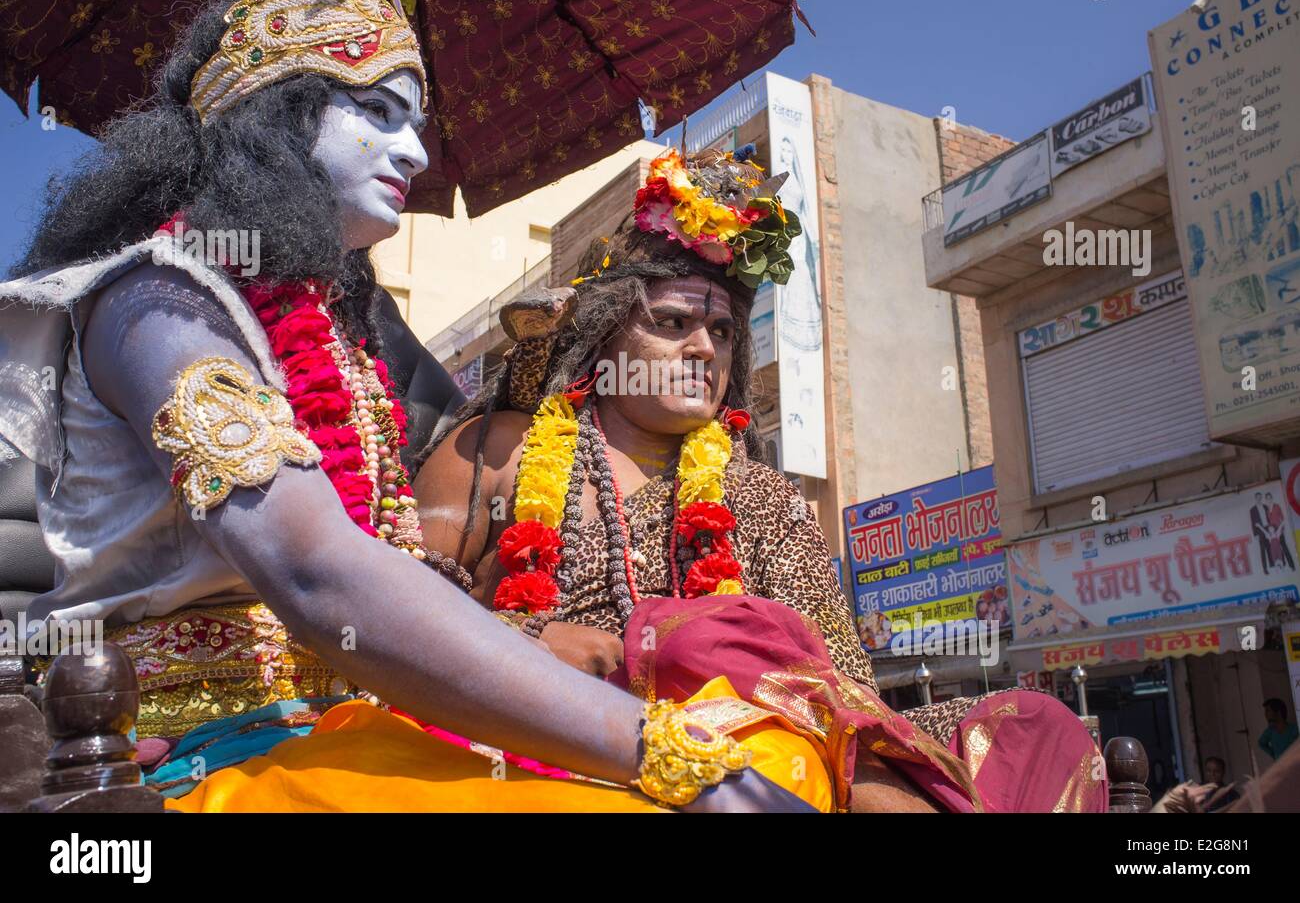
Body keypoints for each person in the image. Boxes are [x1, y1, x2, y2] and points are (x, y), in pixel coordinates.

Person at [0, 0, 813, 813]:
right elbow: (320, 574)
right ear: (277, 117)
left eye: (418, 121)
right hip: (195, 756)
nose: (415, 150)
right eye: (379, 113)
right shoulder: (157, 302)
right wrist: (670, 758)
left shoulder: (343, 334)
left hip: (348, 731)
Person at [414, 147, 1107, 812]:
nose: (702, 348)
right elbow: (389, 612)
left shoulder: (762, 497)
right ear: (604, 337)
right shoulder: (500, 449)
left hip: (756, 765)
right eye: (674, 322)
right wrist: (538, 642)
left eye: (721, 330)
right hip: (542, 740)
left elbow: (841, 688)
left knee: (1037, 725)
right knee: (705, 641)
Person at [1265, 493, 1295, 571]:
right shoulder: (1267, 510)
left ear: (1272, 498)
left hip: (1279, 531)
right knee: (1276, 549)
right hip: (1272, 533)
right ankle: (1282, 565)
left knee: (1284, 547)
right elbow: (1269, 522)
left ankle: (1292, 566)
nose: (1269, 499)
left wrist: (1282, 529)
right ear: (1266, 500)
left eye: (1270, 498)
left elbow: (1282, 518)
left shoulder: (1277, 506)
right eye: (1267, 498)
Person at [1250, 492, 1272, 572]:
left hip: (1267, 528)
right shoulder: (1252, 510)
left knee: (1269, 547)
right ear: (1255, 498)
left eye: (1260, 497)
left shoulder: (1265, 507)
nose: (1259, 499)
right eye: (1258, 497)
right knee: (1262, 549)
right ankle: (1265, 568)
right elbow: (1253, 522)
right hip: (1259, 530)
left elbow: (1269, 518)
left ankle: (1272, 564)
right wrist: (1255, 534)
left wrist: (1270, 528)